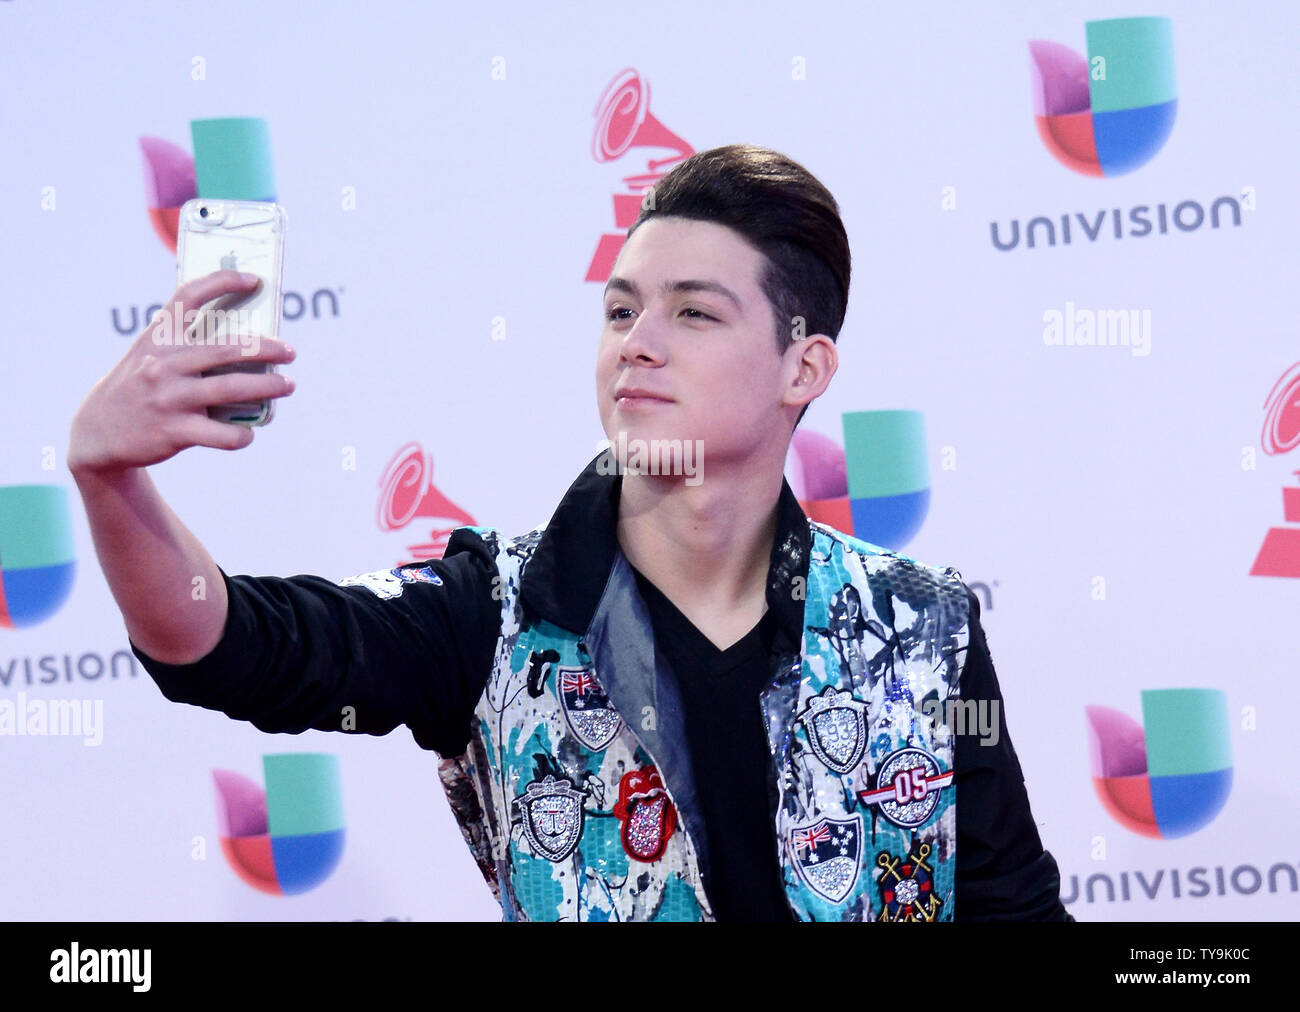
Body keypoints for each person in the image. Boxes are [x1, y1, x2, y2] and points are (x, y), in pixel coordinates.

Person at [68, 144, 1072, 922]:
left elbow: (1011, 908)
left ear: (802, 370)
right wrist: (111, 480)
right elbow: (232, 646)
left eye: (694, 313)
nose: (637, 341)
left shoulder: (917, 626)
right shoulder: (492, 613)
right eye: (621, 307)